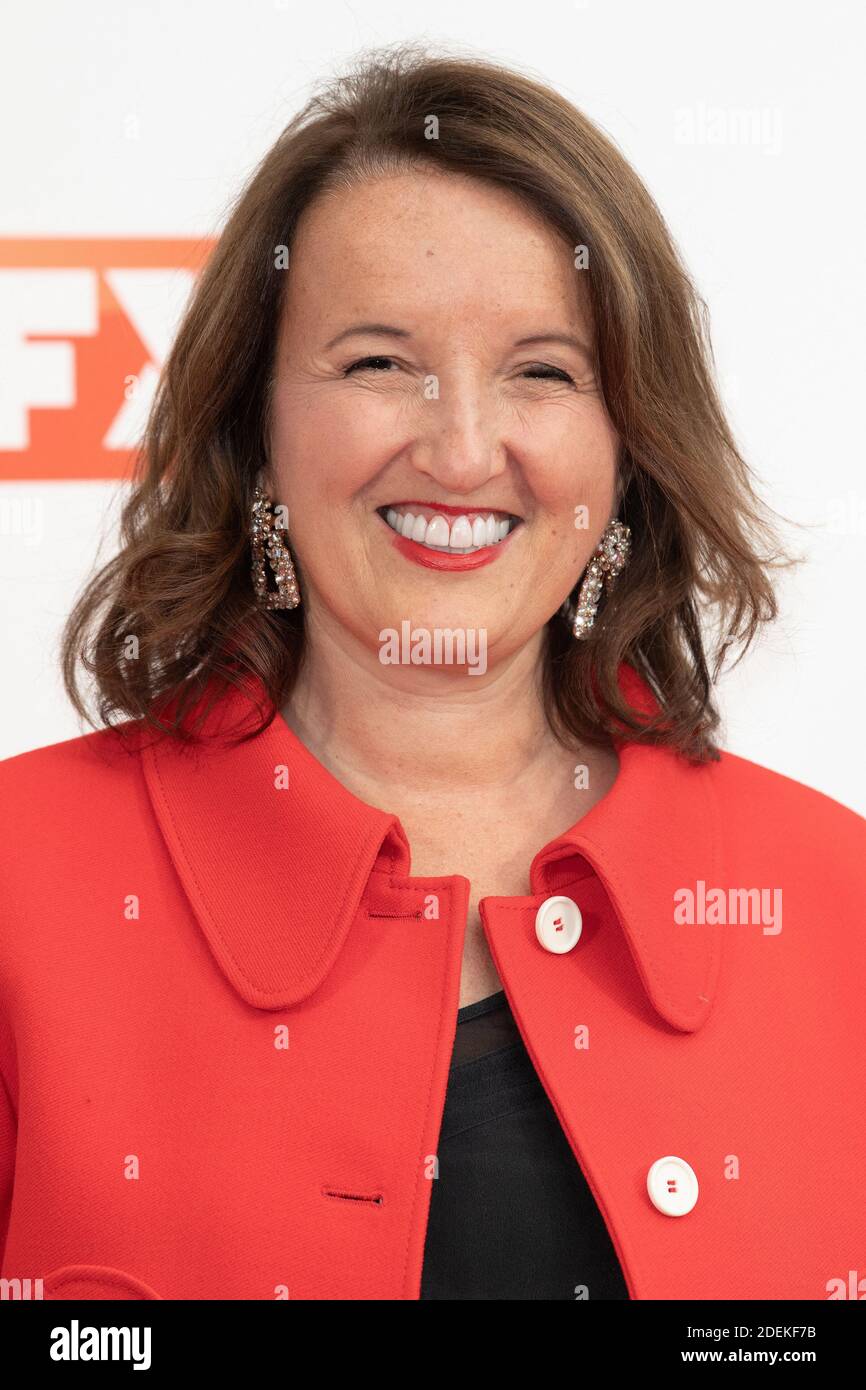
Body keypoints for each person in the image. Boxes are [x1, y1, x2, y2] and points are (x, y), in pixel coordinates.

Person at [1, 45, 863, 1302]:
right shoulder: (20, 876)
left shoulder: (834, 899)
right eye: (376, 362)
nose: (462, 450)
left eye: (542, 372)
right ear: (256, 437)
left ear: (624, 451)